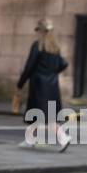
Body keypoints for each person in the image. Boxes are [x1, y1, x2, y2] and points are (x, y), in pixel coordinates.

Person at [16, 19, 71, 151]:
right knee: (39, 115)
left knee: (46, 116)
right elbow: (63, 64)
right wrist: (52, 73)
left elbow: (29, 67)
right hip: (52, 86)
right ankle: (29, 140)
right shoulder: (55, 48)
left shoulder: (38, 46)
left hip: (38, 86)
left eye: (37, 31)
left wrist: (20, 83)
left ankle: (64, 138)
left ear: (41, 31)